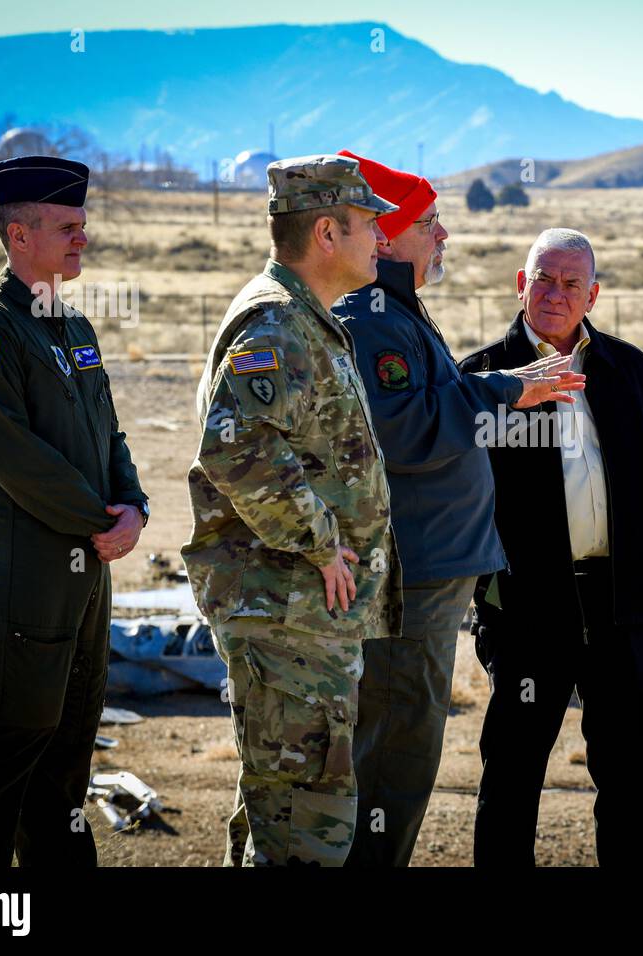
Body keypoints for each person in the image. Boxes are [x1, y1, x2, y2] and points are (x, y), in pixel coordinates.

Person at [333, 154, 585, 867]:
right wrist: (505, 391)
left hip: (430, 576)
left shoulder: (398, 308)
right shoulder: (372, 316)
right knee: (393, 763)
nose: (442, 234)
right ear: (384, 235)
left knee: (402, 755)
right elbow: (406, 430)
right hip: (409, 582)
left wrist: (507, 389)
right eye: (428, 222)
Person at [181, 154, 403, 867]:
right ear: (328, 233)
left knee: (283, 808)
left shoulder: (307, 318)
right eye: (370, 224)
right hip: (285, 610)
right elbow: (235, 447)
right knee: (306, 822)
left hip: (300, 614)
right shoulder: (276, 323)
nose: (383, 240)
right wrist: (320, 542)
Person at [458, 228, 643, 866]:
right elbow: (448, 496)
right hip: (527, 612)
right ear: (520, 283)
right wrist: (487, 588)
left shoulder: (631, 371)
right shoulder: (482, 377)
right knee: (511, 780)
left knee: (628, 785)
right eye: (543, 278)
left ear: (592, 294)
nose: (555, 294)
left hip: (624, 610)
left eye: (571, 284)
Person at [0, 155, 149, 866]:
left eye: (83, 226)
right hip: (28, 567)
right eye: (66, 227)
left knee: (63, 766)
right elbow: (17, 458)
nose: (82, 238)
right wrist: (102, 517)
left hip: (88, 570)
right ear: (18, 236)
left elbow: (108, 433)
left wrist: (135, 508)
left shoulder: (74, 326)